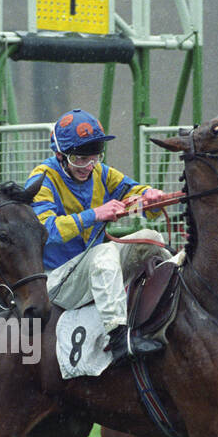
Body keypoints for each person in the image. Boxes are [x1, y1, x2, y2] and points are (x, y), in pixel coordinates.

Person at [26, 109, 170, 364]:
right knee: (103, 254)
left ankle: (171, 311)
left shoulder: (101, 172)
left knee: (151, 238)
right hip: (56, 281)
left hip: (91, 270)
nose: (89, 166)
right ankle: (117, 338)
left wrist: (151, 196)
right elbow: (46, 231)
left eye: (94, 157)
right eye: (80, 159)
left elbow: (132, 192)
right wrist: (96, 214)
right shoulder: (42, 178)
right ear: (59, 155)